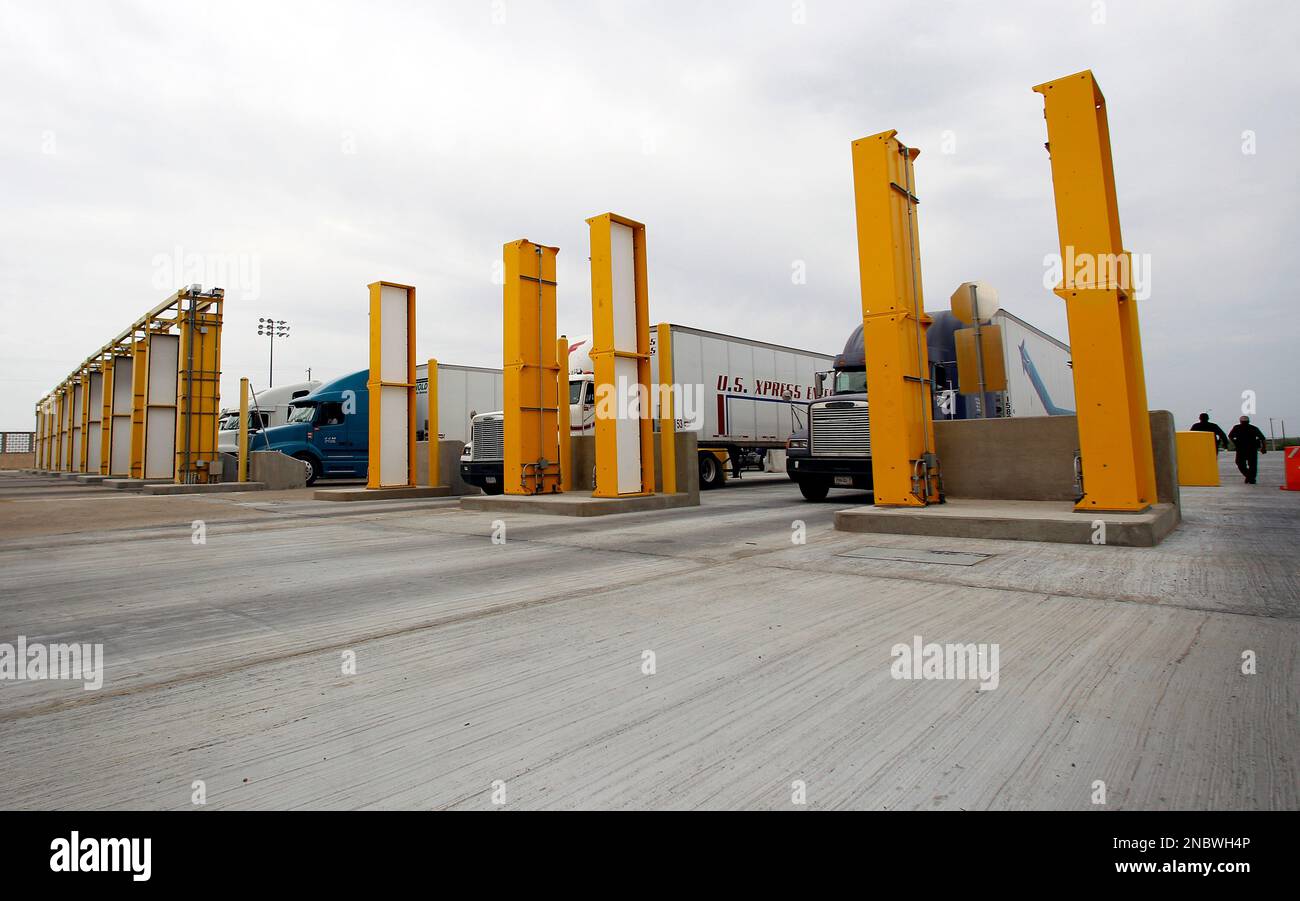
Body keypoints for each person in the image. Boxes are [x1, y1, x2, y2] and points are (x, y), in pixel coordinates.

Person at [1227, 415, 1268, 484]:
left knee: (1241, 464)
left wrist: (1235, 442)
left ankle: (1249, 477)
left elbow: (1230, 436)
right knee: (1252, 465)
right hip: (1251, 449)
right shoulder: (1253, 428)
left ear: (1240, 421)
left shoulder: (1237, 427)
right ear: (1248, 421)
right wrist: (1263, 448)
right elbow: (1262, 438)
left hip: (1242, 449)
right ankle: (1250, 477)